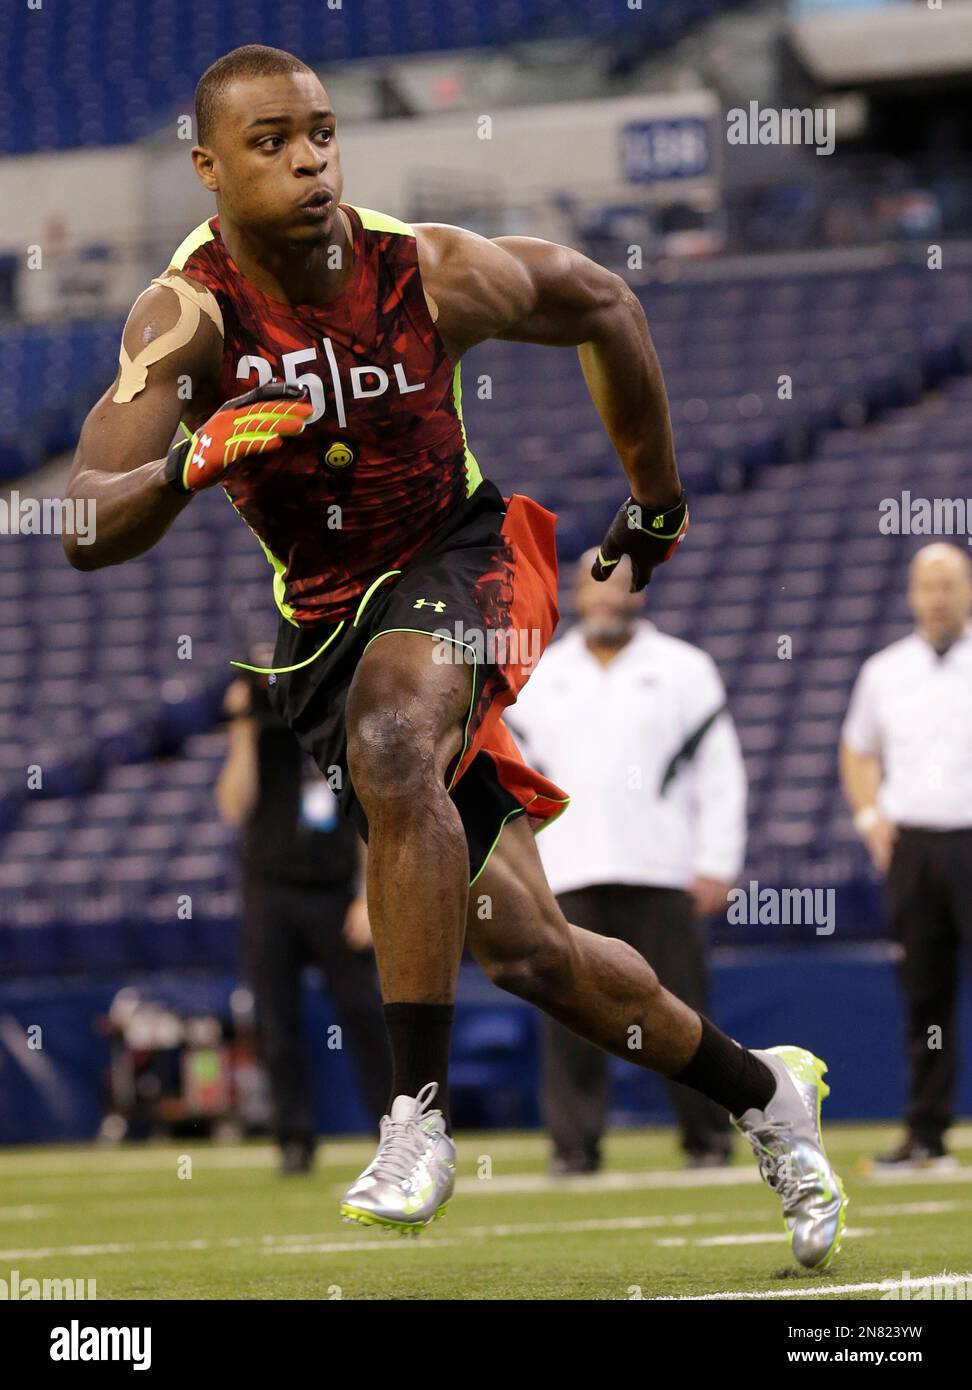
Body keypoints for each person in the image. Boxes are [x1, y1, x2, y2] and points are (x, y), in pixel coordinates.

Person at [63, 43, 846, 1267]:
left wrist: (654, 505)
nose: (310, 156)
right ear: (208, 167)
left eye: (321, 130)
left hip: (468, 561)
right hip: (326, 629)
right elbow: (82, 521)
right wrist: (189, 462)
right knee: (532, 949)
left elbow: (603, 302)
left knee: (393, 732)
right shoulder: (189, 315)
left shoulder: (420, 270)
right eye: (271, 140)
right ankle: (765, 1093)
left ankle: (413, 1115)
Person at [509, 551, 745, 1172]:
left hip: (661, 869)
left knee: (683, 1011)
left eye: (619, 583)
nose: (607, 596)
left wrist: (717, 858)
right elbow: (513, 782)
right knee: (567, 1014)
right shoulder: (540, 674)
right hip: (566, 870)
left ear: (640, 590)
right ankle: (573, 1146)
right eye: (595, 584)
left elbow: (720, 773)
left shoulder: (685, 669)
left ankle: (706, 1138)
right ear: (576, 595)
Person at [216, 666, 390, 1173]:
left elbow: (368, 818)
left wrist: (368, 898)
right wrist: (244, 731)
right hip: (270, 895)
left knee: (363, 1014)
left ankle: (390, 1126)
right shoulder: (263, 745)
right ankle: (293, 1138)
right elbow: (232, 807)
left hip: (335, 896)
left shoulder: (337, 736)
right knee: (277, 1020)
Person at [840, 541, 972, 1171]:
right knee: (925, 996)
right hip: (916, 847)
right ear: (912, 594)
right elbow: (857, 749)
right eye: (927, 585)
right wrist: (871, 817)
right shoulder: (885, 671)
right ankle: (926, 1134)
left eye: (949, 583)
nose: (938, 596)